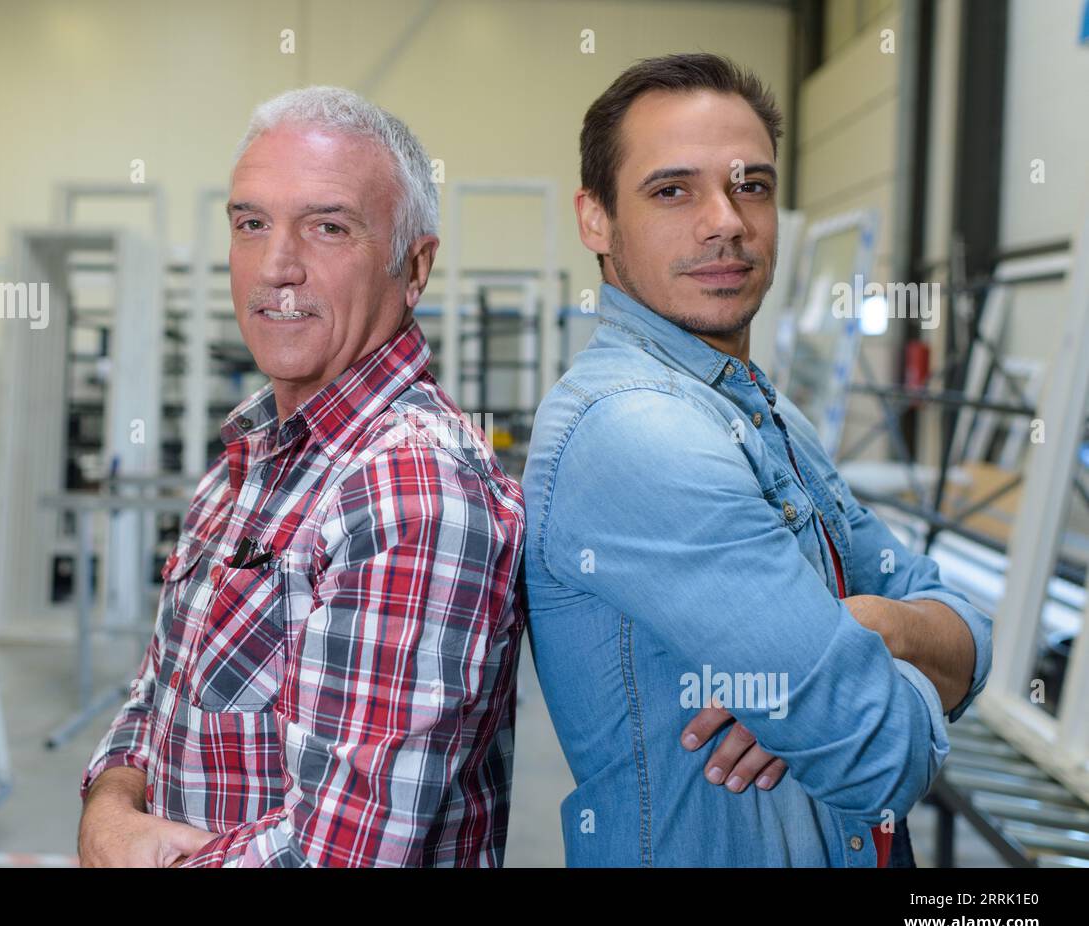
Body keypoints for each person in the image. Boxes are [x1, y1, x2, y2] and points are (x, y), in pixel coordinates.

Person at [522, 53, 992, 867]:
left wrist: (875, 629)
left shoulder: (766, 411)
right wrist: (873, 675)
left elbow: (970, 629)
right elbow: (882, 754)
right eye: (673, 190)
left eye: (752, 185)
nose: (726, 221)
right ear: (595, 219)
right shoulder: (636, 432)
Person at [78, 86, 525, 867]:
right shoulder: (244, 463)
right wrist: (110, 804)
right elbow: (157, 694)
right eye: (251, 224)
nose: (277, 267)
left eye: (328, 227)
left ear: (414, 267)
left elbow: (342, 855)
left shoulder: (411, 488)